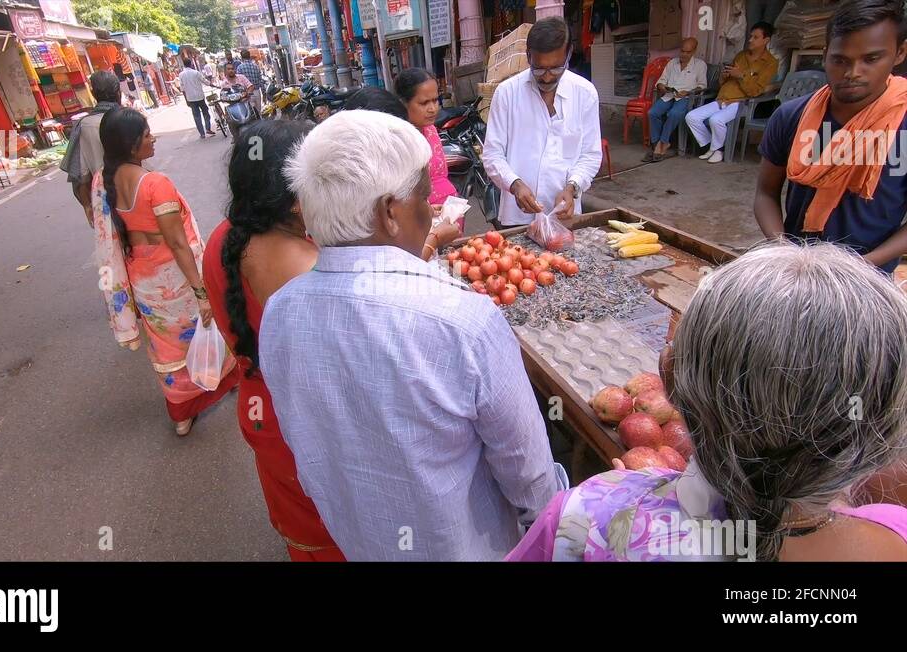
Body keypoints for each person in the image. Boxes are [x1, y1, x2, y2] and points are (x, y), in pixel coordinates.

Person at [259, 110, 566, 561]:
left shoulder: (280, 312)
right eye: (425, 198)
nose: (432, 211)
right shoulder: (463, 320)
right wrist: (555, 533)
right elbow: (530, 476)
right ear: (390, 213)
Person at [508, 240, 907, 562]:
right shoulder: (894, 529)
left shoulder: (582, 518)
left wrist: (623, 497)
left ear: (671, 379)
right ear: (884, 431)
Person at [203, 121, 344, 561]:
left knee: (304, 529)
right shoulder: (305, 264)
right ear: (295, 192)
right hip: (305, 422)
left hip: (260, 409)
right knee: (338, 529)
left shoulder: (223, 239)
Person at [94, 108, 239, 435]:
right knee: (207, 327)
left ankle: (182, 415)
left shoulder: (104, 181)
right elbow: (177, 243)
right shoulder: (155, 184)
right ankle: (225, 380)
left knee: (166, 346)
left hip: (143, 277)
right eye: (147, 135)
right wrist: (201, 292)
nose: (153, 139)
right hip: (175, 277)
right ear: (131, 144)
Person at [754, 0, 907, 274]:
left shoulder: (904, 127)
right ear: (825, 55)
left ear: (900, 53)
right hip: (796, 272)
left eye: (871, 59)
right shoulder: (791, 117)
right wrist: (785, 253)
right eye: (840, 60)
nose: (852, 73)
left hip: (869, 277)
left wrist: (860, 266)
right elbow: (766, 193)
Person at [483, 17, 603, 227]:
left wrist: (572, 188)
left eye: (555, 69)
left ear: (568, 54)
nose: (547, 77)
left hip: (565, 216)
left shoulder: (585, 93)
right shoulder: (507, 93)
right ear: (528, 56)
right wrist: (515, 185)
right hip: (517, 217)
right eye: (539, 69)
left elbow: (590, 155)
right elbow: (492, 155)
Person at [345, 84, 461, 260]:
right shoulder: (362, 192)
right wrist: (434, 238)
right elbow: (396, 267)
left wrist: (421, 208)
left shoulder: (370, 172)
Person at [685, 22, 779, 164]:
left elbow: (755, 91)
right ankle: (713, 146)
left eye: (755, 37)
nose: (750, 40)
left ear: (766, 40)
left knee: (716, 120)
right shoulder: (741, 55)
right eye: (750, 36)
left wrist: (741, 76)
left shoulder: (770, 63)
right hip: (723, 97)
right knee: (691, 117)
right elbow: (723, 83)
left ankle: (719, 150)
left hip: (741, 102)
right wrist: (724, 76)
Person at [60, 71, 122, 227]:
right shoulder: (129, 117)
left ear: (93, 94)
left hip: (104, 198)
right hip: (138, 189)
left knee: (113, 238)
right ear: (118, 92)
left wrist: (87, 205)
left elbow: (80, 173)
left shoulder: (83, 125)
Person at [393, 68, 458, 209]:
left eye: (435, 100)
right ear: (404, 104)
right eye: (424, 103)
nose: (432, 109)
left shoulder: (431, 130)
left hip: (449, 212)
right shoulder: (398, 142)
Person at [644, 38, 707, 162]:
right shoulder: (672, 63)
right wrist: (662, 86)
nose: (684, 54)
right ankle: (656, 143)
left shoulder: (700, 65)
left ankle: (663, 142)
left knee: (674, 113)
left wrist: (688, 92)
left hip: (686, 97)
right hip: (669, 95)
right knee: (652, 113)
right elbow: (661, 81)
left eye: (688, 52)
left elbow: (702, 86)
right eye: (682, 51)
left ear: (694, 51)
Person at [179, 59, 214, 139]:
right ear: (191, 64)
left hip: (190, 98)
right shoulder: (196, 73)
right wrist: (212, 84)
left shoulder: (181, 75)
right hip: (200, 97)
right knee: (205, 112)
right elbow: (205, 81)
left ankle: (202, 133)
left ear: (184, 64)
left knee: (196, 116)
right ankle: (208, 128)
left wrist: (186, 100)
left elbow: (182, 89)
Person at [235, 49, 265, 114]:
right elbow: (260, 80)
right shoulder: (256, 66)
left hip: (247, 94)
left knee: (250, 114)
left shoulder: (240, 68)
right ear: (249, 56)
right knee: (259, 113)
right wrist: (263, 92)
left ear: (241, 57)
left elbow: (238, 83)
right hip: (257, 92)